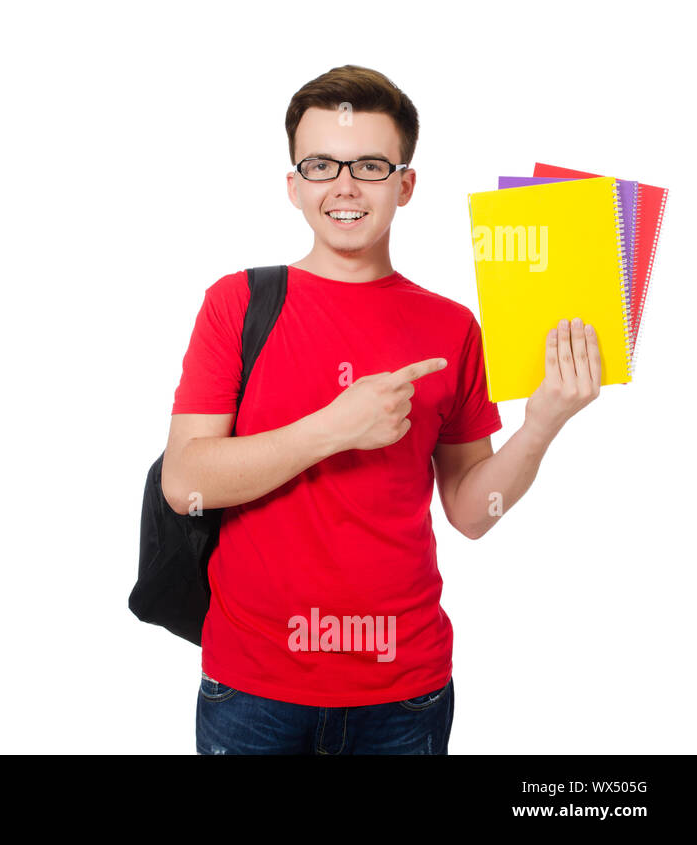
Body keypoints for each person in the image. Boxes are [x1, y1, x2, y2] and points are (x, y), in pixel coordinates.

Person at [162, 65, 600, 754]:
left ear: (405, 184)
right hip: (252, 688)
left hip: (406, 691)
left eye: (369, 164)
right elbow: (185, 481)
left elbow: (468, 510)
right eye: (321, 164)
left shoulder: (453, 326)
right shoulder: (237, 303)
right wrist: (333, 429)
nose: (344, 184)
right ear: (294, 185)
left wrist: (543, 423)